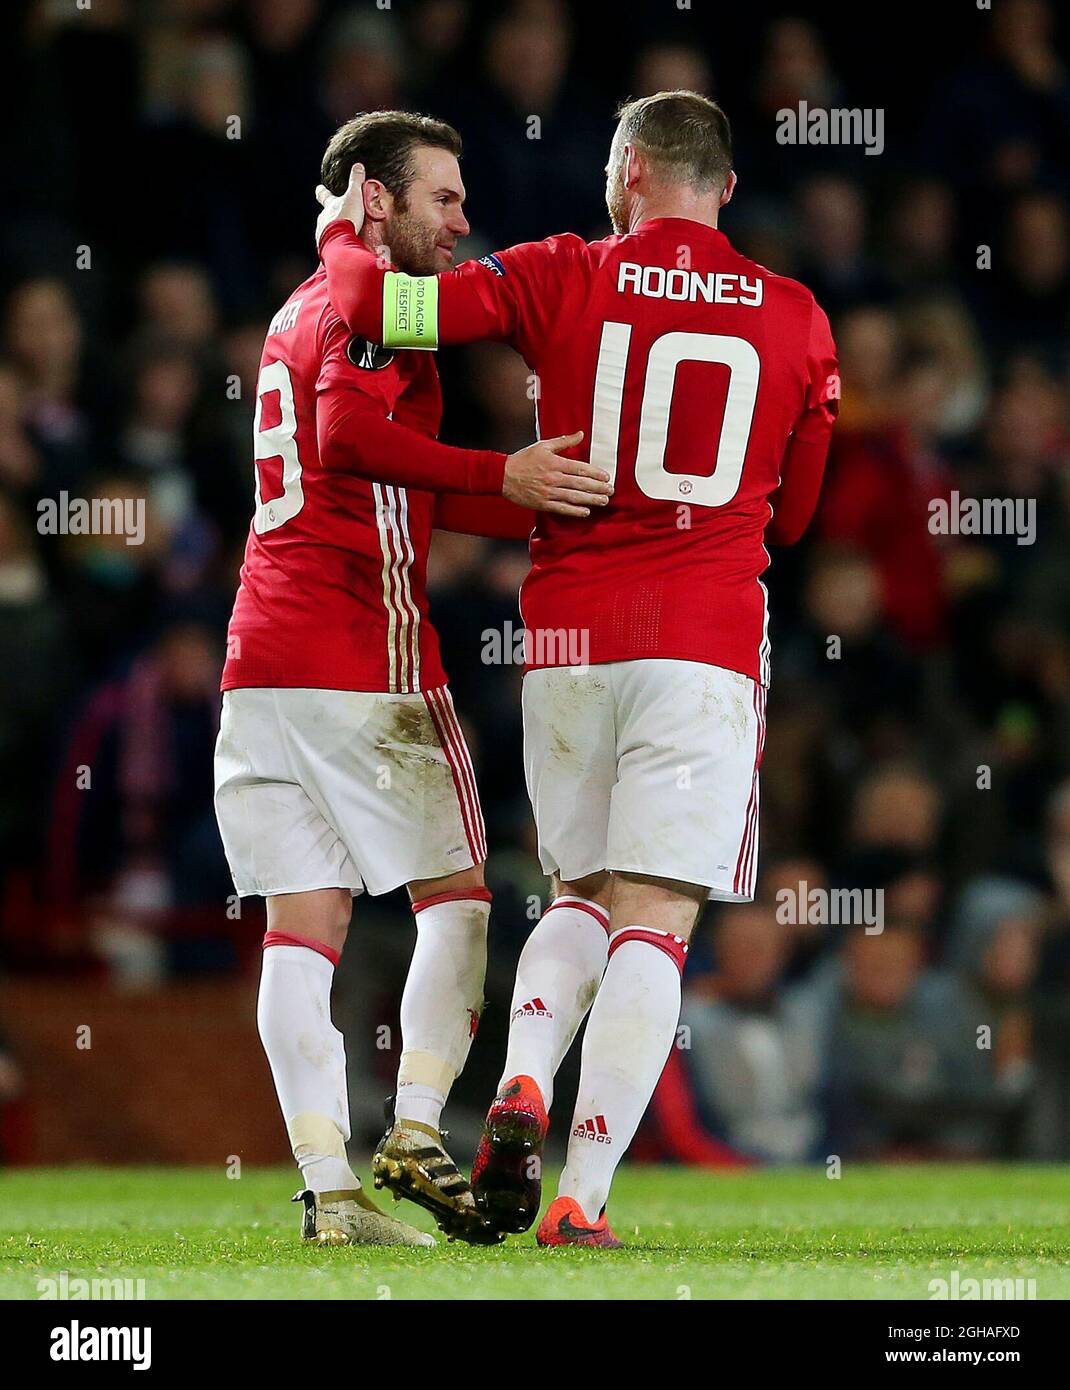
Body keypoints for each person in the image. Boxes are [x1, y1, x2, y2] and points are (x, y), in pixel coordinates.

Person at [315, 89, 839, 1246]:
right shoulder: (798, 317)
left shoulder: (558, 269)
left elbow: (382, 305)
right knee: (655, 918)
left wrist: (340, 228)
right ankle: (578, 1197)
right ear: (726, 189)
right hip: (702, 641)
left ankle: (521, 1081)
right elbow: (796, 516)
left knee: (576, 898)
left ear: (629, 172)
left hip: (566, 634)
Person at [215, 110, 609, 1248]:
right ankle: (420, 1120)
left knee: (303, 927)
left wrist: (532, 496)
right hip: (361, 654)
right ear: (375, 201)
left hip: (262, 663)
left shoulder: (301, 305)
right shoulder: (375, 302)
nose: (463, 219)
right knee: (459, 898)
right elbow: (347, 438)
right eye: (442, 195)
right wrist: (507, 468)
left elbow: (399, 486)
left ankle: (329, 1194)